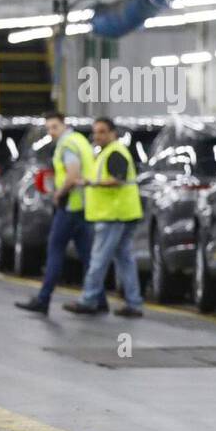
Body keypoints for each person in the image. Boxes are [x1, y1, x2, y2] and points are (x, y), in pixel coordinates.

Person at [15, 112, 96, 314]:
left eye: (54, 127)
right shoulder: (81, 140)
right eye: (49, 128)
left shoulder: (67, 145)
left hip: (70, 205)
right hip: (84, 205)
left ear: (63, 125)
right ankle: (98, 297)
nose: (51, 132)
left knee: (55, 249)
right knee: (87, 255)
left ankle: (43, 299)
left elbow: (73, 174)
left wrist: (59, 194)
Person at [63, 117, 145, 318]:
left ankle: (88, 300)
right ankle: (134, 303)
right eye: (95, 132)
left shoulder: (115, 152)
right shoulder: (108, 152)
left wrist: (91, 183)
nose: (97, 136)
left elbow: (117, 180)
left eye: (102, 132)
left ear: (113, 133)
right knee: (125, 258)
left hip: (113, 215)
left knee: (99, 259)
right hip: (123, 213)